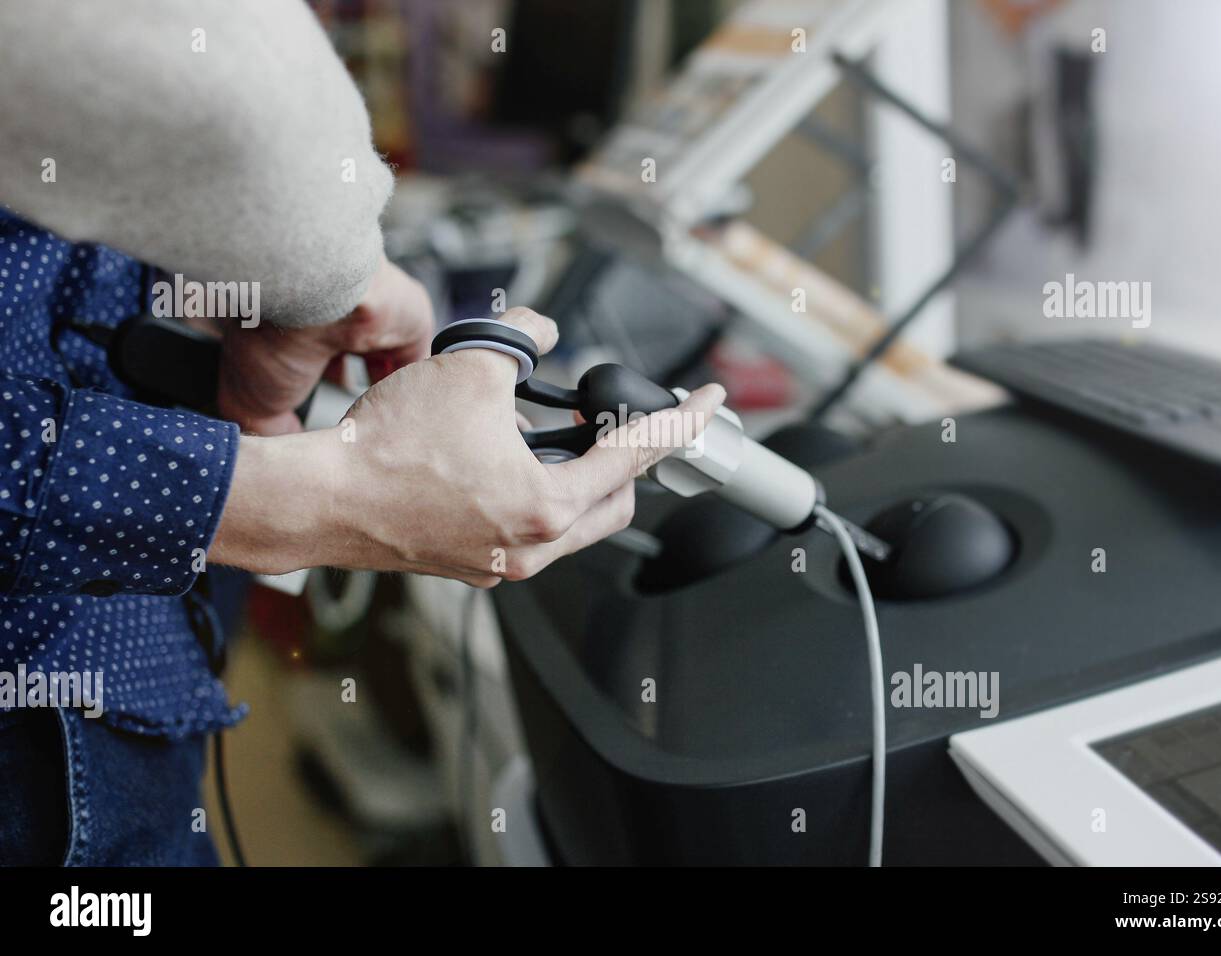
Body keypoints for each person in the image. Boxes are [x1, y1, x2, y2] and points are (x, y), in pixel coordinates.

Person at [0, 0, 723, 865]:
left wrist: (312, 282)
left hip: (127, 574)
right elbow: (192, 62)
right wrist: (326, 497)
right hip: (46, 678)